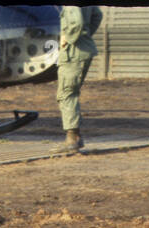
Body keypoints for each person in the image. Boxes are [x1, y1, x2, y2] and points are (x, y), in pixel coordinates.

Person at [56, 5, 99, 153]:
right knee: (71, 92)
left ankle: (72, 138)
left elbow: (77, 23)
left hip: (73, 53)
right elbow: (97, 15)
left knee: (66, 94)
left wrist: (67, 39)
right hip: (83, 49)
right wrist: (85, 35)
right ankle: (76, 137)